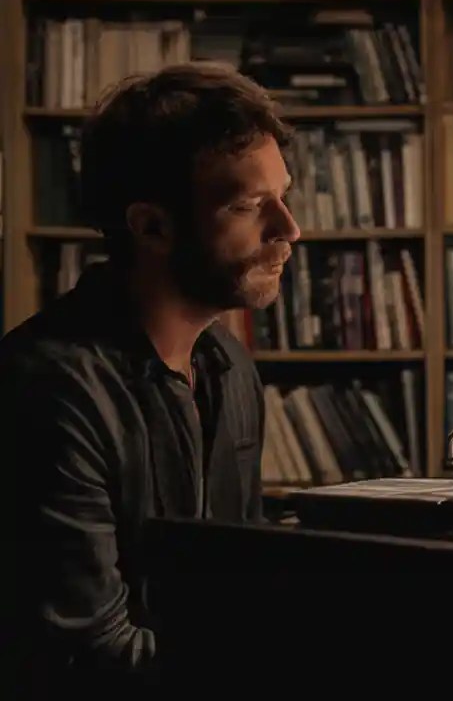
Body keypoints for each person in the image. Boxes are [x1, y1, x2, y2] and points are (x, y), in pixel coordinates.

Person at [1, 63, 300, 694]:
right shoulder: (48, 389)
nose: (288, 230)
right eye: (248, 206)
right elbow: (86, 654)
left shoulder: (228, 366)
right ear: (151, 226)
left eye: (284, 195)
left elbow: (239, 580)